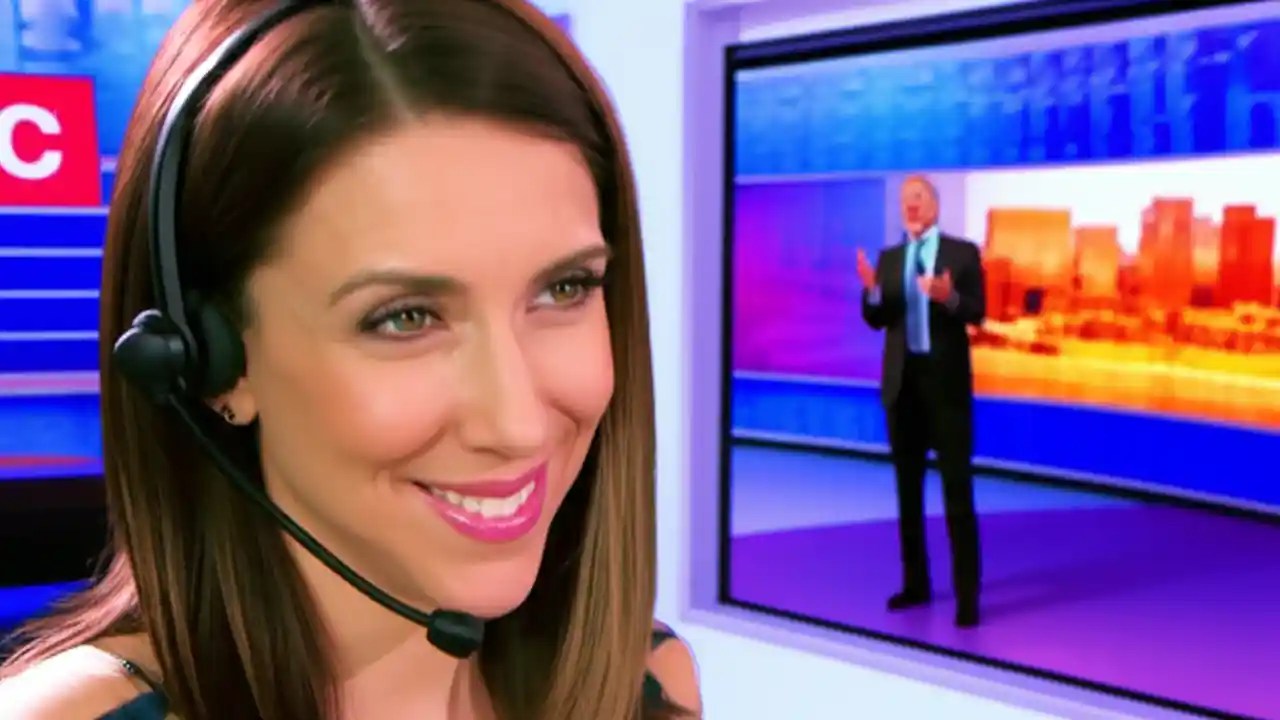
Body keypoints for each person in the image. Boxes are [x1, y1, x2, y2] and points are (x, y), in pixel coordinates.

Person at [0, 1, 701, 718]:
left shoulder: (645, 682)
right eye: (404, 318)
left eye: (565, 288)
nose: (517, 424)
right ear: (209, 359)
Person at [856, 174, 985, 629]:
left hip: (945, 390)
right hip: (902, 390)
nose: (909, 206)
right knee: (907, 495)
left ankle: (967, 597)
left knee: (956, 494)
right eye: (904, 200)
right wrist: (872, 289)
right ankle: (916, 583)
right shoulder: (890, 259)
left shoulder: (962, 253)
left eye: (918, 197)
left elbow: (977, 311)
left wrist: (950, 297)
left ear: (935, 205)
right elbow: (877, 319)